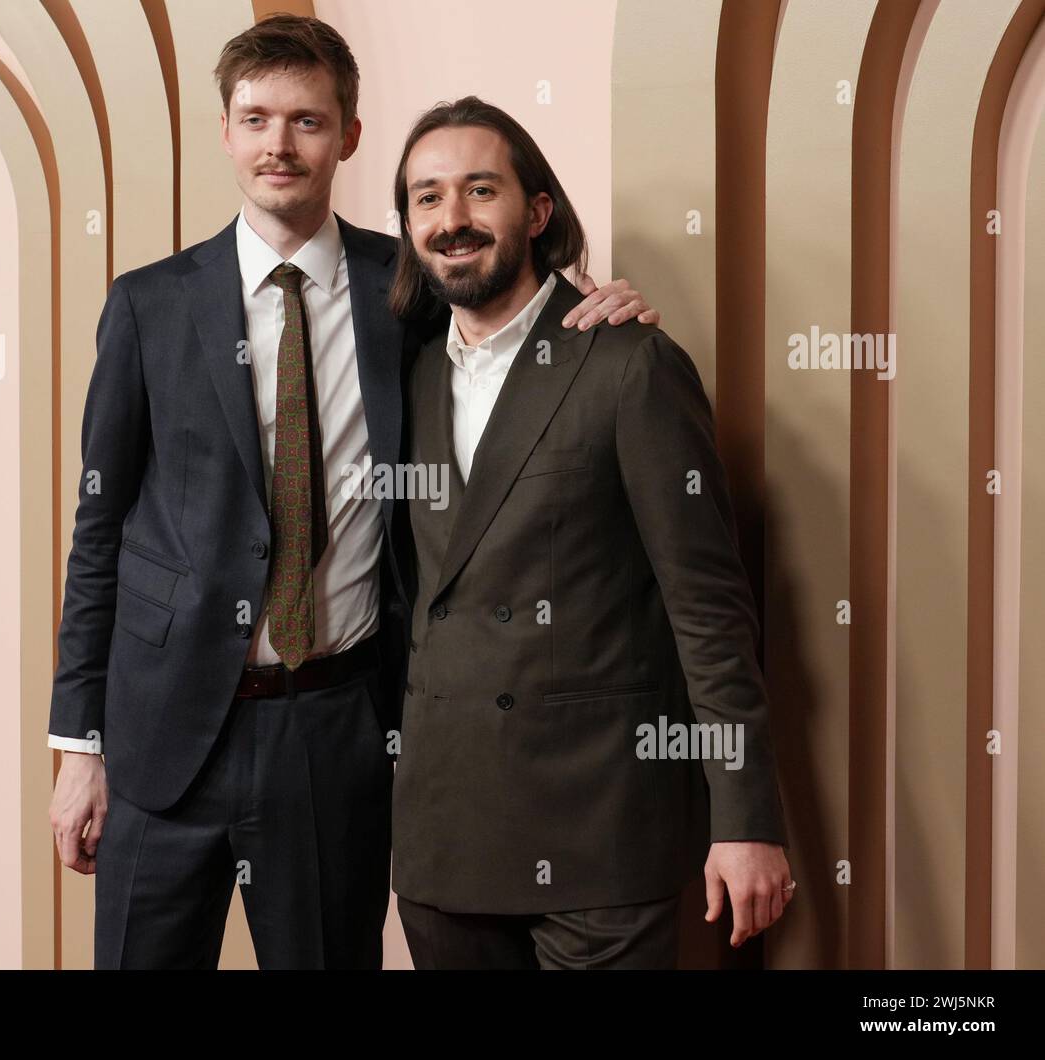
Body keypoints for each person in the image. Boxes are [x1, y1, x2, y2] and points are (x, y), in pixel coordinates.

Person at [46, 17, 658, 969]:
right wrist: (79, 745)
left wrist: (592, 305)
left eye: (306, 121)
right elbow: (98, 533)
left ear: (350, 135)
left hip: (336, 730)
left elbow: (509, 312)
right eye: (255, 120)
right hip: (162, 735)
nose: (278, 146)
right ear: (225, 133)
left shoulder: (407, 288)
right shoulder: (148, 304)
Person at [389, 96, 793, 969]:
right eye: (426, 198)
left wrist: (746, 820)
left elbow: (710, 613)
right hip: (443, 838)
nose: (452, 220)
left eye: (479, 190)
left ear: (537, 212)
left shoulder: (630, 365)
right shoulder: (407, 372)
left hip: (600, 836)